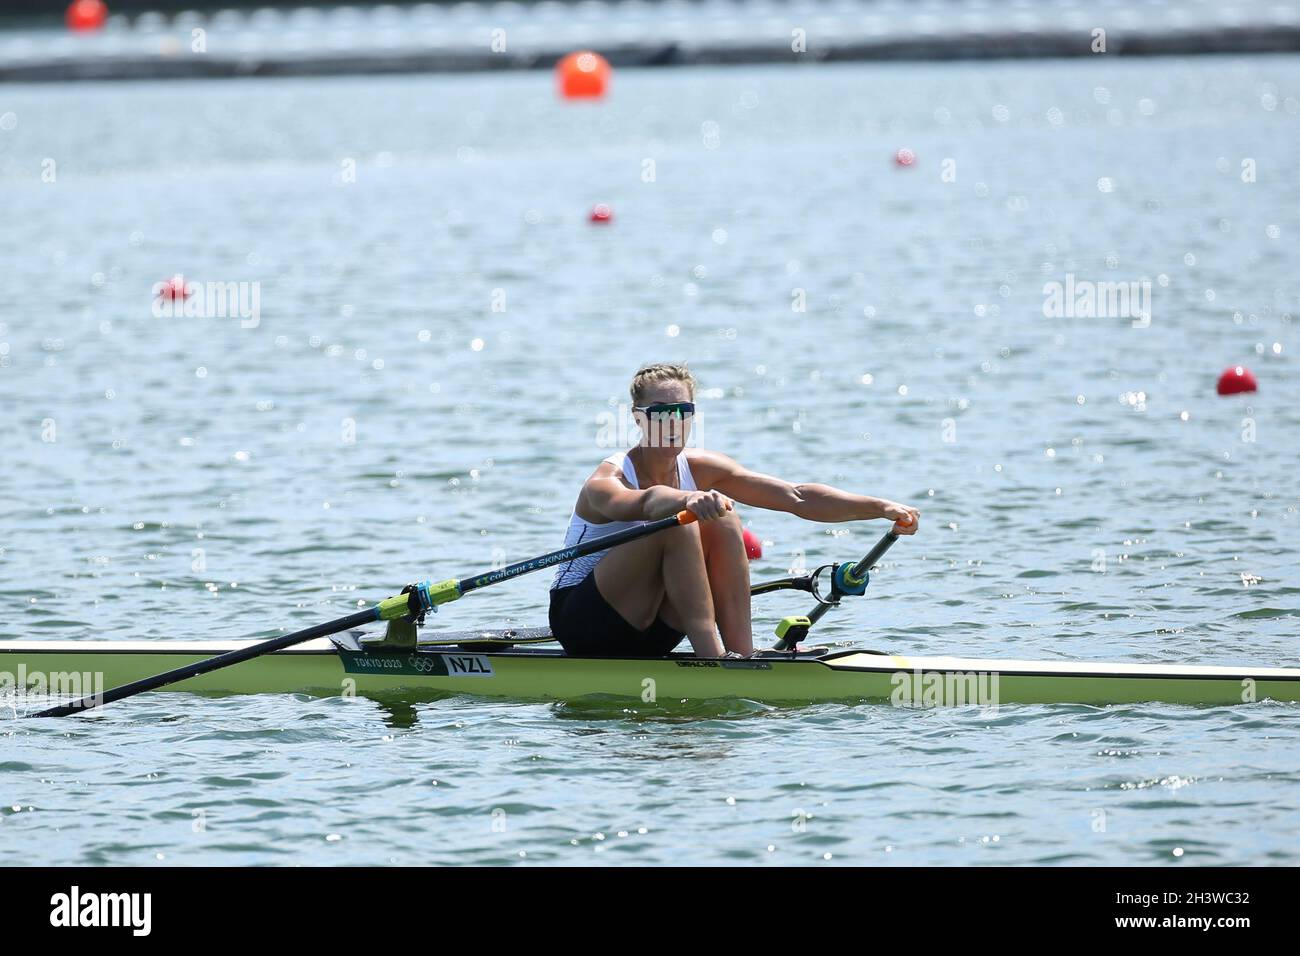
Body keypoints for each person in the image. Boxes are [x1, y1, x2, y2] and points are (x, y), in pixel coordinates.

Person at [549, 363, 920, 658]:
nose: (673, 422)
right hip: (585, 624)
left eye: (683, 411)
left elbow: (797, 497)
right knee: (675, 524)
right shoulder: (607, 479)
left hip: (654, 631)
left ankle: (741, 654)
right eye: (660, 412)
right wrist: (686, 500)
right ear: (637, 417)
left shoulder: (704, 468)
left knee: (723, 516)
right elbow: (645, 502)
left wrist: (880, 507)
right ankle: (716, 659)